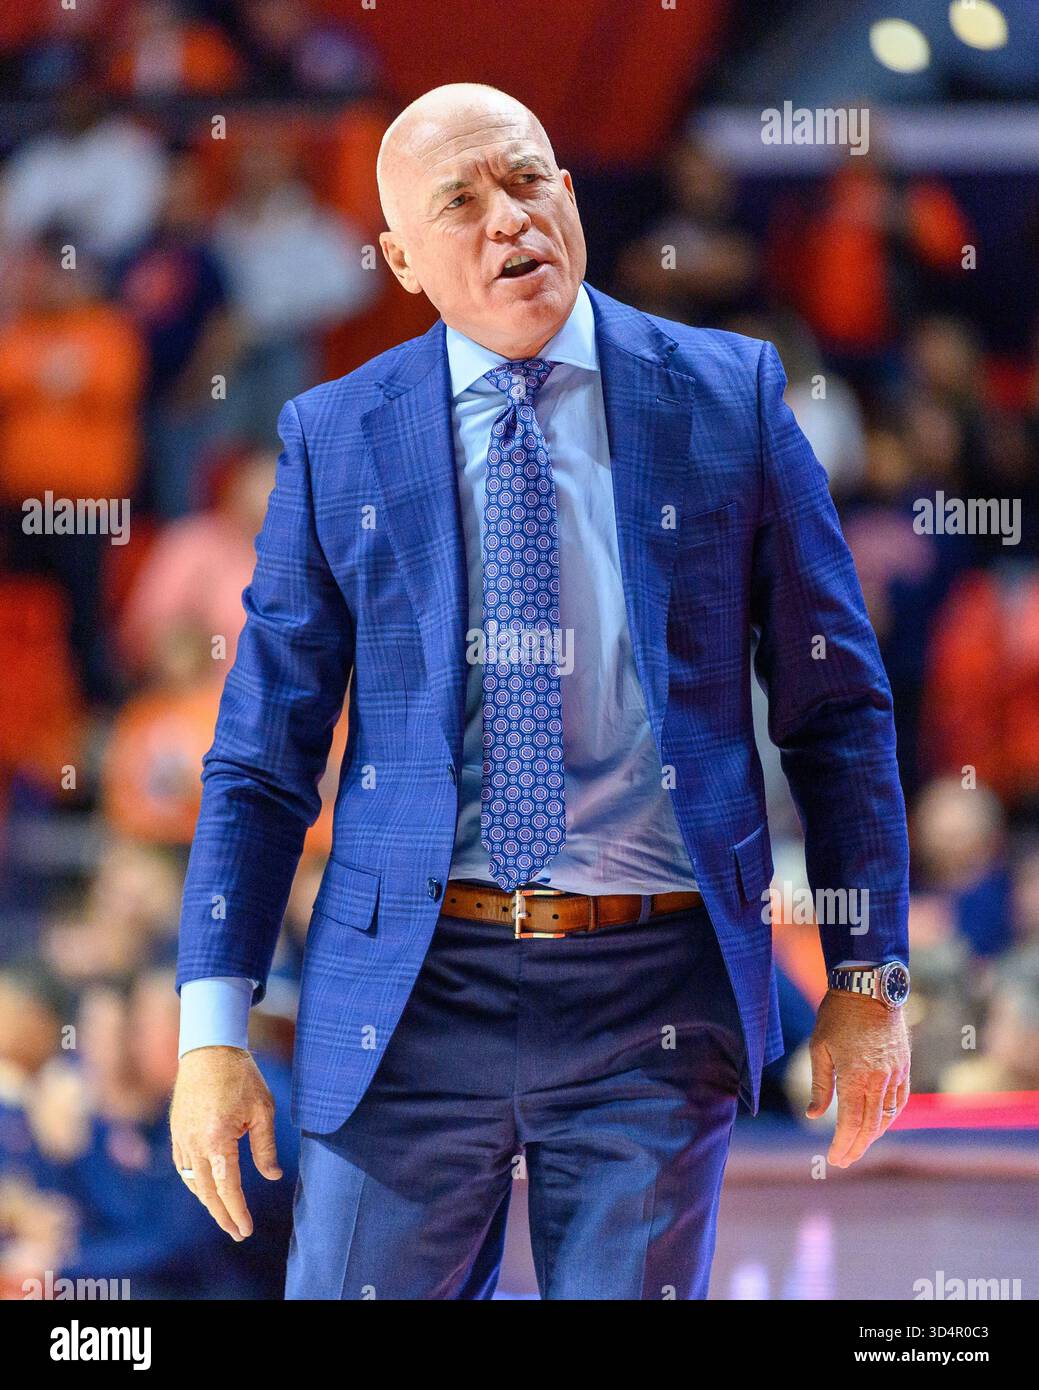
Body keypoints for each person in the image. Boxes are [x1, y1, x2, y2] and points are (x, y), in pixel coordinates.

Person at [172, 84, 911, 1300]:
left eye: (526, 181)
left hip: (652, 994)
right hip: (413, 992)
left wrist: (868, 977)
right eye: (459, 204)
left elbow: (838, 710)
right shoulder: (337, 435)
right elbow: (261, 760)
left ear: (568, 193)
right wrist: (212, 1030)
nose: (507, 220)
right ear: (403, 261)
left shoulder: (728, 396)